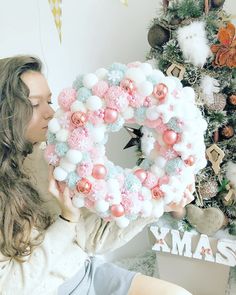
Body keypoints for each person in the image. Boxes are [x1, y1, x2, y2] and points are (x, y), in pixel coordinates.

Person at [0, 55, 192, 295]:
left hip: (84, 271)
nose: (50, 112)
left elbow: (92, 240)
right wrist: (66, 220)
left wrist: (157, 203)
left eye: (49, 101)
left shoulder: (49, 157)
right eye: (34, 104)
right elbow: (10, 285)